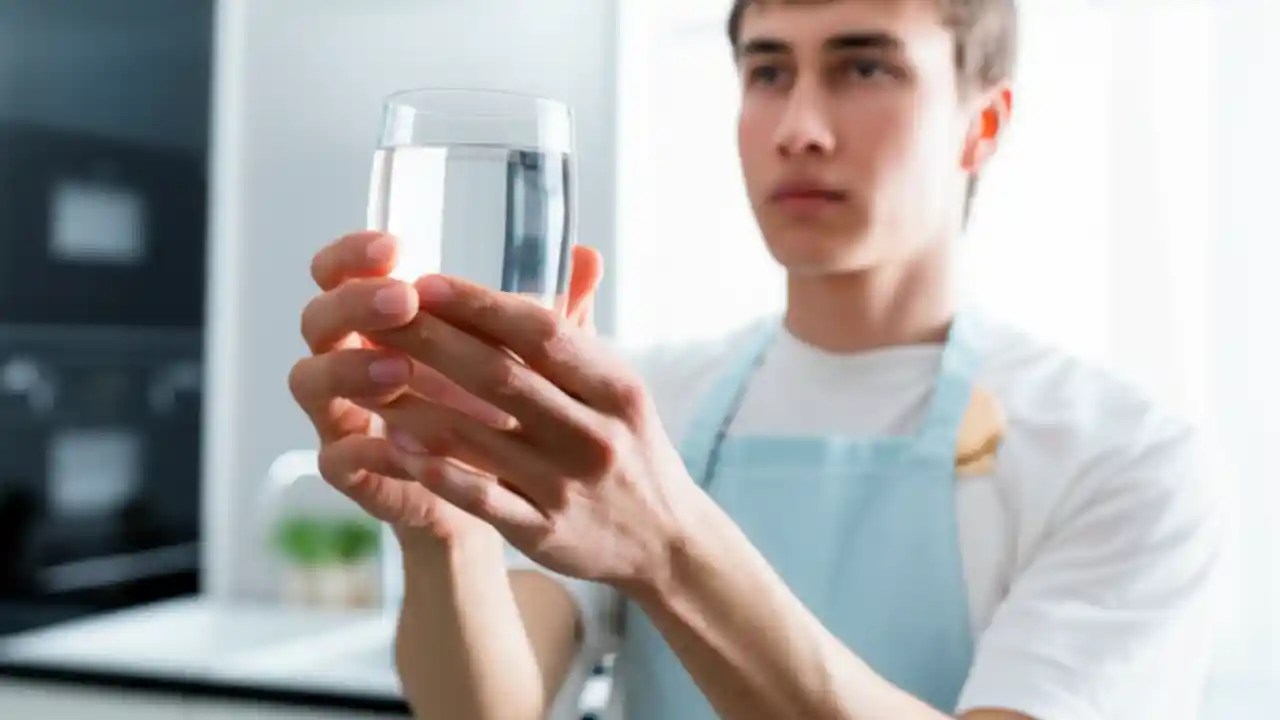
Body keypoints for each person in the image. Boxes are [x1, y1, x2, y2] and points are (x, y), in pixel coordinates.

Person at [288, 1, 1226, 718]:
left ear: (982, 125)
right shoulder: (647, 403)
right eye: (769, 71)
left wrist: (669, 548)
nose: (800, 127)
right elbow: (490, 705)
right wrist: (443, 528)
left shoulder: (1123, 457)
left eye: (865, 67)